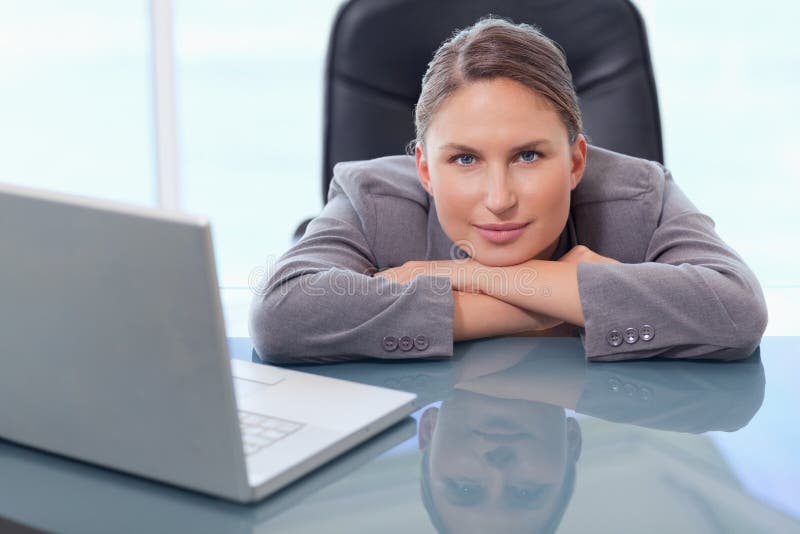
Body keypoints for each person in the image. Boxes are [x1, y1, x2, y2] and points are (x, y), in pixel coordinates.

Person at [248, 16, 768, 364]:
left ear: (575, 161)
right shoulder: (372, 196)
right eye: (465, 159)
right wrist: (549, 299)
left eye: (528, 155)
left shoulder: (637, 194)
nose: (499, 199)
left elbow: (737, 310)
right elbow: (280, 314)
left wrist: (454, 276)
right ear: (425, 171)